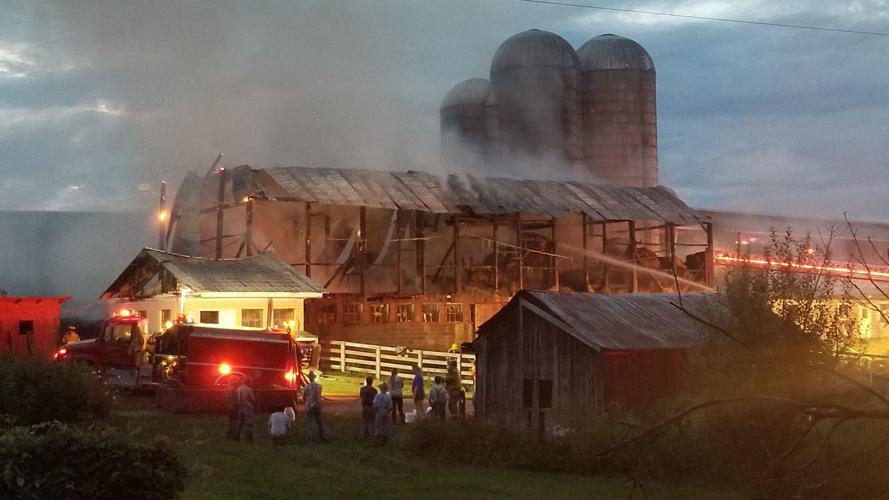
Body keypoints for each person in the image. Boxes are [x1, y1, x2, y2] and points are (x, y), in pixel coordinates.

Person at [304, 370, 326, 443]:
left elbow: (304, 397)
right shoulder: (319, 386)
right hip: (318, 405)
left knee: (312, 422)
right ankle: (322, 436)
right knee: (319, 421)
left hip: (309, 406)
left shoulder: (306, 387)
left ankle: (314, 437)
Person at [236, 375, 256, 443]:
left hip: (240, 406)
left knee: (240, 422)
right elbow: (253, 399)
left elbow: (238, 399)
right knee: (248, 422)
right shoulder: (249, 389)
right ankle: (249, 439)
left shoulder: (238, 389)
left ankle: (237, 436)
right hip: (248, 406)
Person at [373, 381, 393, 445]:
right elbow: (390, 407)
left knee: (378, 425)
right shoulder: (388, 397)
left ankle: (377, 439)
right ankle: (384, 439)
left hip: (379, 411)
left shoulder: (377, 396)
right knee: (385, 425)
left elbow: (375, 405)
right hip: (385, 411)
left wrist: (376, 411)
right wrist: (388, 412)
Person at [359, 376, 377, 440]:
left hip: (365, 406)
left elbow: (361, 397)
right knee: (372, 423)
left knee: (365, 422)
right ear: (372, 382)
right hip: (372, 406)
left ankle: (365, 436)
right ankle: (372, 436)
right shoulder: (374, 390)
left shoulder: (362, 389)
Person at [225, 374, 242, 440]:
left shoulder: (228, 388)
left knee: (231, 421)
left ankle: (228, 435)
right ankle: (234, 436)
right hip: (235, 405)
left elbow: (227, 398)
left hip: (230, 405)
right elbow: (238, 398)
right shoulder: (235, 389)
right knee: (236, 421)